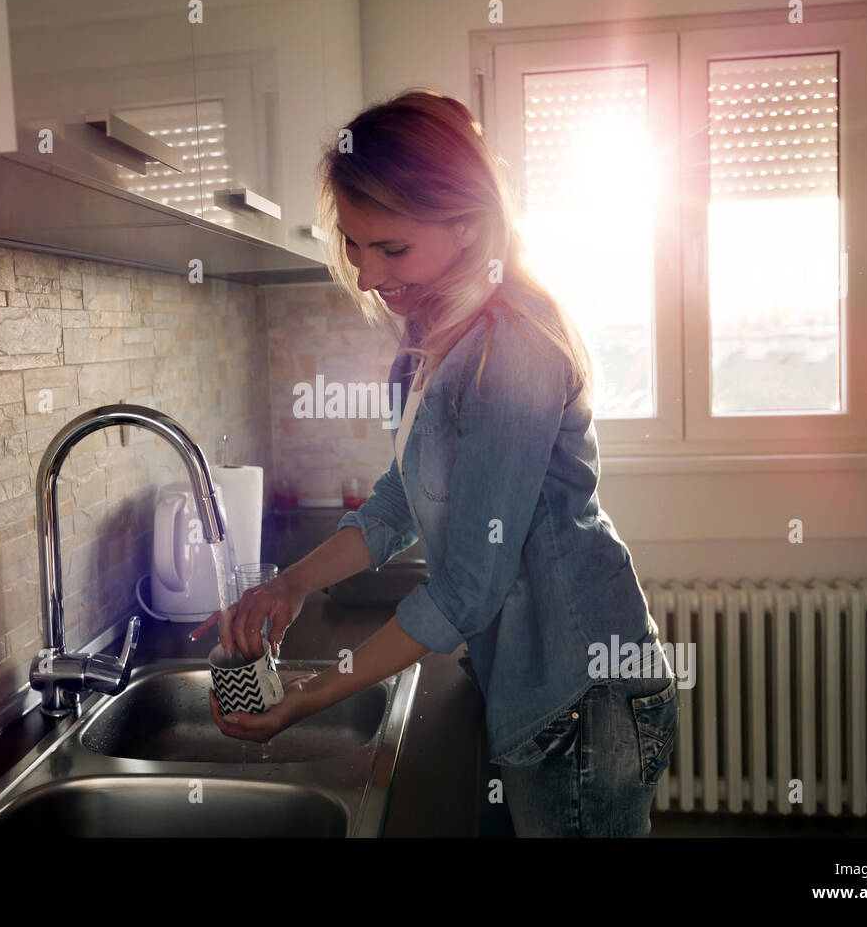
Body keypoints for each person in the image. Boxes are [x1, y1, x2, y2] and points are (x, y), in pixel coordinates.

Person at [189, 87, 678, 837]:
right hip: (524, 680)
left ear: (469, 226)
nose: (367, 274)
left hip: (583, 690)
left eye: (392, 247)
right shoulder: (430, 338)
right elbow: (398, 504)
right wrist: (291, 584)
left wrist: (308, 697)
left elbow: (467, 590)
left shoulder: (510, 346)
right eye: (354, 243)